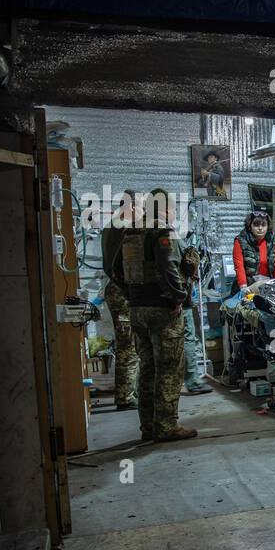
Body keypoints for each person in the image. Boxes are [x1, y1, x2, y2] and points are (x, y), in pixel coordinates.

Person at [111, 188, 198, 443]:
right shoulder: (163, 233)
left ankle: (148, 425)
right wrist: (178, 298)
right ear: (165, 209)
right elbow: (169, 266)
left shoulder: (130, 233)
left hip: (137, 310)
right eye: (172, 209)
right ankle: (166, 426)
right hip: (163, 310)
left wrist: (131, 296)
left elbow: (116, 270)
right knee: (170, 369)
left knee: (148, 368)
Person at [101, 189, 139, 410]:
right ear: (131, 207)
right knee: (128, 345)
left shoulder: (109, 226)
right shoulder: (123, 228)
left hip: (115, 289)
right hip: (122, 291)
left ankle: (128, 392)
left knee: (127, 343)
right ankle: (125, 397)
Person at [178, 229, 212, 396]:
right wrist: (179, 295)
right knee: (187, 337)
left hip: (149, 301)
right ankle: (192, 381)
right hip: (177, 301)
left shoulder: (133, 235)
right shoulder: (168, 237)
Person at [232, 210, 275, 289]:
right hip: (249, 285)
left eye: (263, 225)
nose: (260, 228)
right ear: (250, 227)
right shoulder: (240, 241)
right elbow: (239, 266)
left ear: (268, 226)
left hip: (270, 284)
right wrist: (243, 286)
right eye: (256, 225)